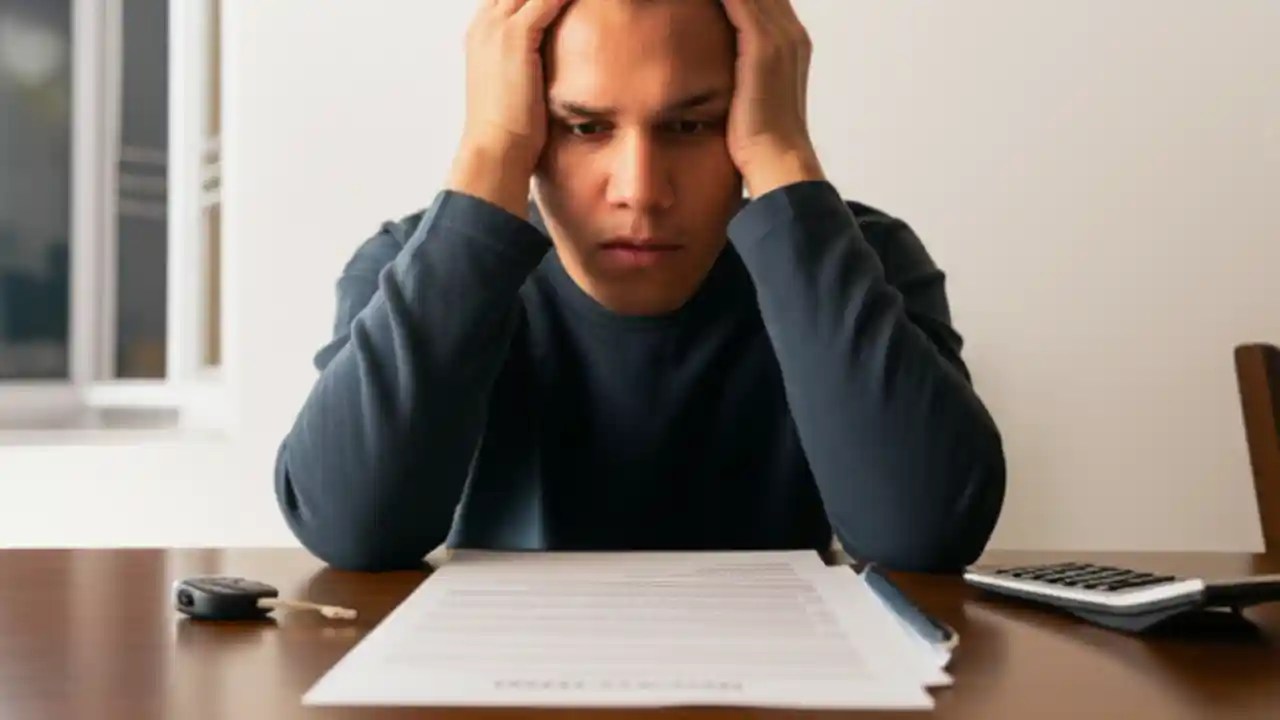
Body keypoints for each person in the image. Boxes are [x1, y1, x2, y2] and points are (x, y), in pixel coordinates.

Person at [274, 0, 1006, 573]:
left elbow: (925, 531)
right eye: (586, 128)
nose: (641, 191)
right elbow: (350, 529)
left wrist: (783, 154)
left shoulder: (859, 260)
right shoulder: (416, 265)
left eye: (691, 125)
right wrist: (489, 150)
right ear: (530, 126)